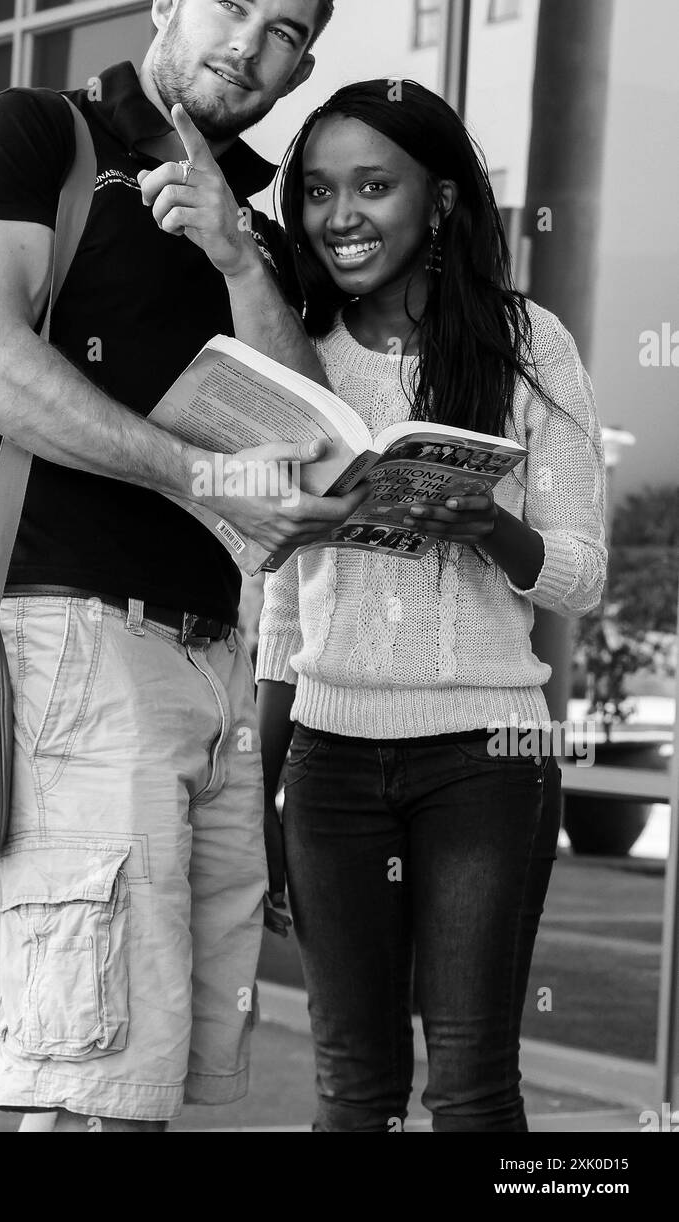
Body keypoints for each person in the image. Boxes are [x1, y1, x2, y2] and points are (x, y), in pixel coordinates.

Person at [0, 0, 367, 1134]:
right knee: (83, 1073)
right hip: (78, 644)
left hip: (217, 669)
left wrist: (236, 256)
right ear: (166, 2)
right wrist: (196, 477)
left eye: (285, 35)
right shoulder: (36, 135)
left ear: (301, 68)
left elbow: (318, 452)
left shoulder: (254, 231)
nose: (248, 46)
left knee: (155, 1080)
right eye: (230, 4)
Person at [257, 78, 606, 1132]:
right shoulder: (301, 352)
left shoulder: (524, 343)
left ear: (442, 200)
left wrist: (487, 527)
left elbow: (582, 572)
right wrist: (264, 786)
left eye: (373, 185)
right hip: (328, 756)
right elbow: (278, 606)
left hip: (486, 756)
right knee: (351, 1086)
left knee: (467, 1085)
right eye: (317, 191)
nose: (339, 215)